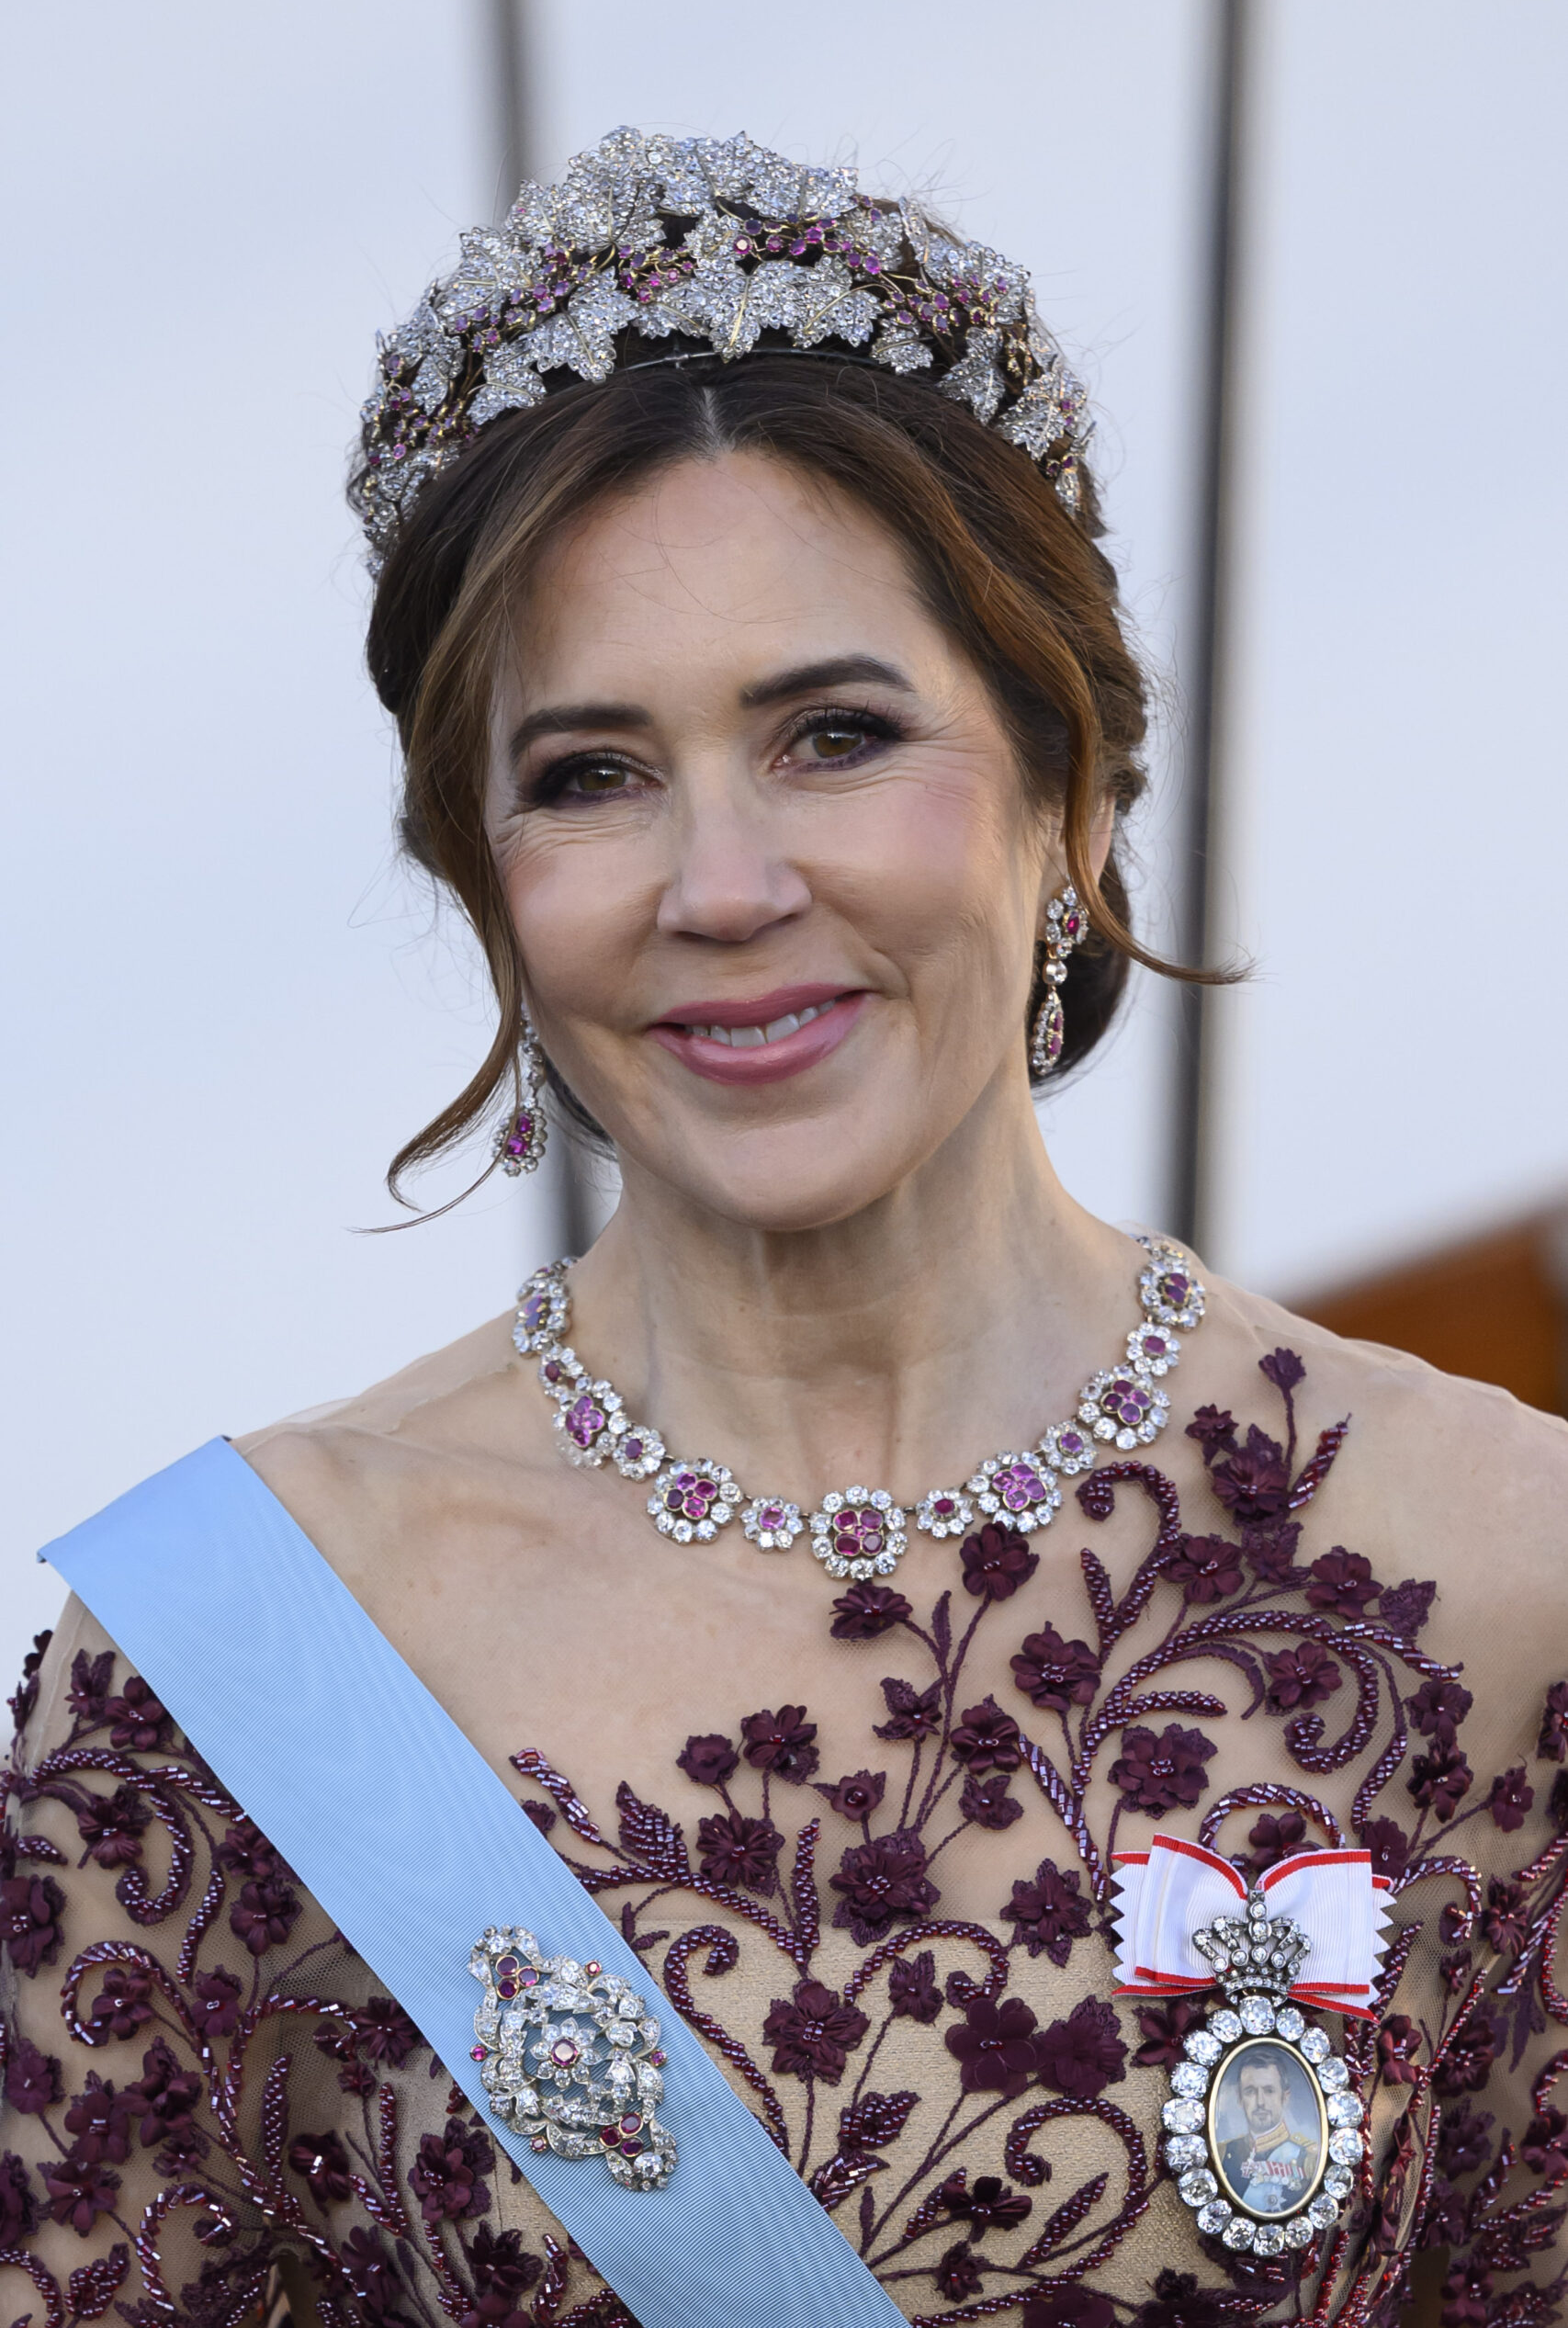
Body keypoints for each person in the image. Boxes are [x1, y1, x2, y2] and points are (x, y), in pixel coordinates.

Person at [4, 128, 1566, 2328]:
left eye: (832, 733)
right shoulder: (228, 1663)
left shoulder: (1500, 1569)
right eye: (588, 773)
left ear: (1069, 788)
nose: (719, 885)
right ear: (485, 874)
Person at [1218, 2053, 1317, 2217]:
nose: (1260, 2102)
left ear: (1285, 2097)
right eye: (1250, 2092)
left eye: (1269, 2091)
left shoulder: (1308, 2157)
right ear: (1240, 2098)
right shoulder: (1222, 2153)